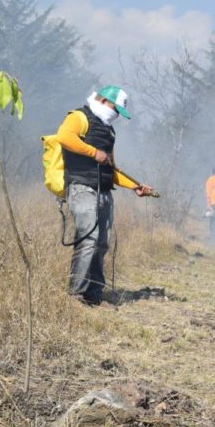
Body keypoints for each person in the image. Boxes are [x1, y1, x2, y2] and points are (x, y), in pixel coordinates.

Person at [57, 85, 154, 306]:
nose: (117, 114)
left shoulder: (108, 130)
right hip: (82, 187)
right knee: (88, 239)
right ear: (104, 101)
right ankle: (75, 295)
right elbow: (64, 137)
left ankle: (95, 293)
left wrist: (135, 186)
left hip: (104, 190)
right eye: (116, 108)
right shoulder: (79, 116)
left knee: (102, 243)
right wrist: (94, 152)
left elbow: (112, 168)